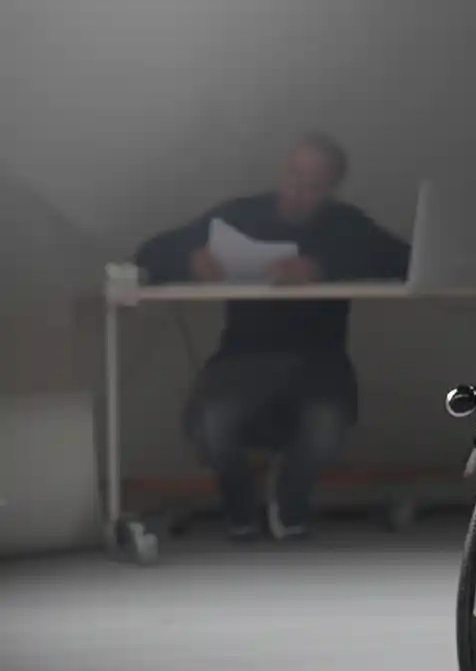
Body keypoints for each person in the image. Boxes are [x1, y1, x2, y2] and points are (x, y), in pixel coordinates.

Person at [135, 133, 409, 540]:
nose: (298, 190)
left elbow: (404, 261)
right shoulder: (240, 215)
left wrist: (322, 267)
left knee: (327, 424)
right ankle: (240, 506)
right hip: (242, 357)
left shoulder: (347, 225)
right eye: (294, 176)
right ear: (283, 171)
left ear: (331, 189)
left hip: (319, 360)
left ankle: (290, 501)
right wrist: (189, 261)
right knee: (211, 424)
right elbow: (150, 253)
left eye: (313, 184)